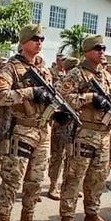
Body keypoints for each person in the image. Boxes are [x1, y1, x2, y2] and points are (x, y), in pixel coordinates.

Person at [0, 23, 55, 221]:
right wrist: (30, 92)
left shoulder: (45, 69)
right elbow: (0, 96)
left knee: (36, 182)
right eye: (35, 38)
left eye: (42, 39)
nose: (39, 42)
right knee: (12, 182)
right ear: (24, 41)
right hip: (21, 131)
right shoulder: (11, 67)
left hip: (42, 131)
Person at [56, 35, 111, 221]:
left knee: (98, 178)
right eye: (97, 48)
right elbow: (63, 99)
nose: (101, 51)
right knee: (74, 177)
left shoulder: (107, 77)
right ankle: (67, 218)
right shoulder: (77, 74)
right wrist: (90, 98)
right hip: (83, 133)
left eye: (103, 48)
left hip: (103, 134)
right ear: (86, 51)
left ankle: (92, 214)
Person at [46, 56, 80, 200]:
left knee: (72, 157)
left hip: (76, 126)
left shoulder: (82, 84)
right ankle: (53, 185)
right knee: (57, 156)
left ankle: (67, 185)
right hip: (62, 124)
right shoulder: (60, 83)